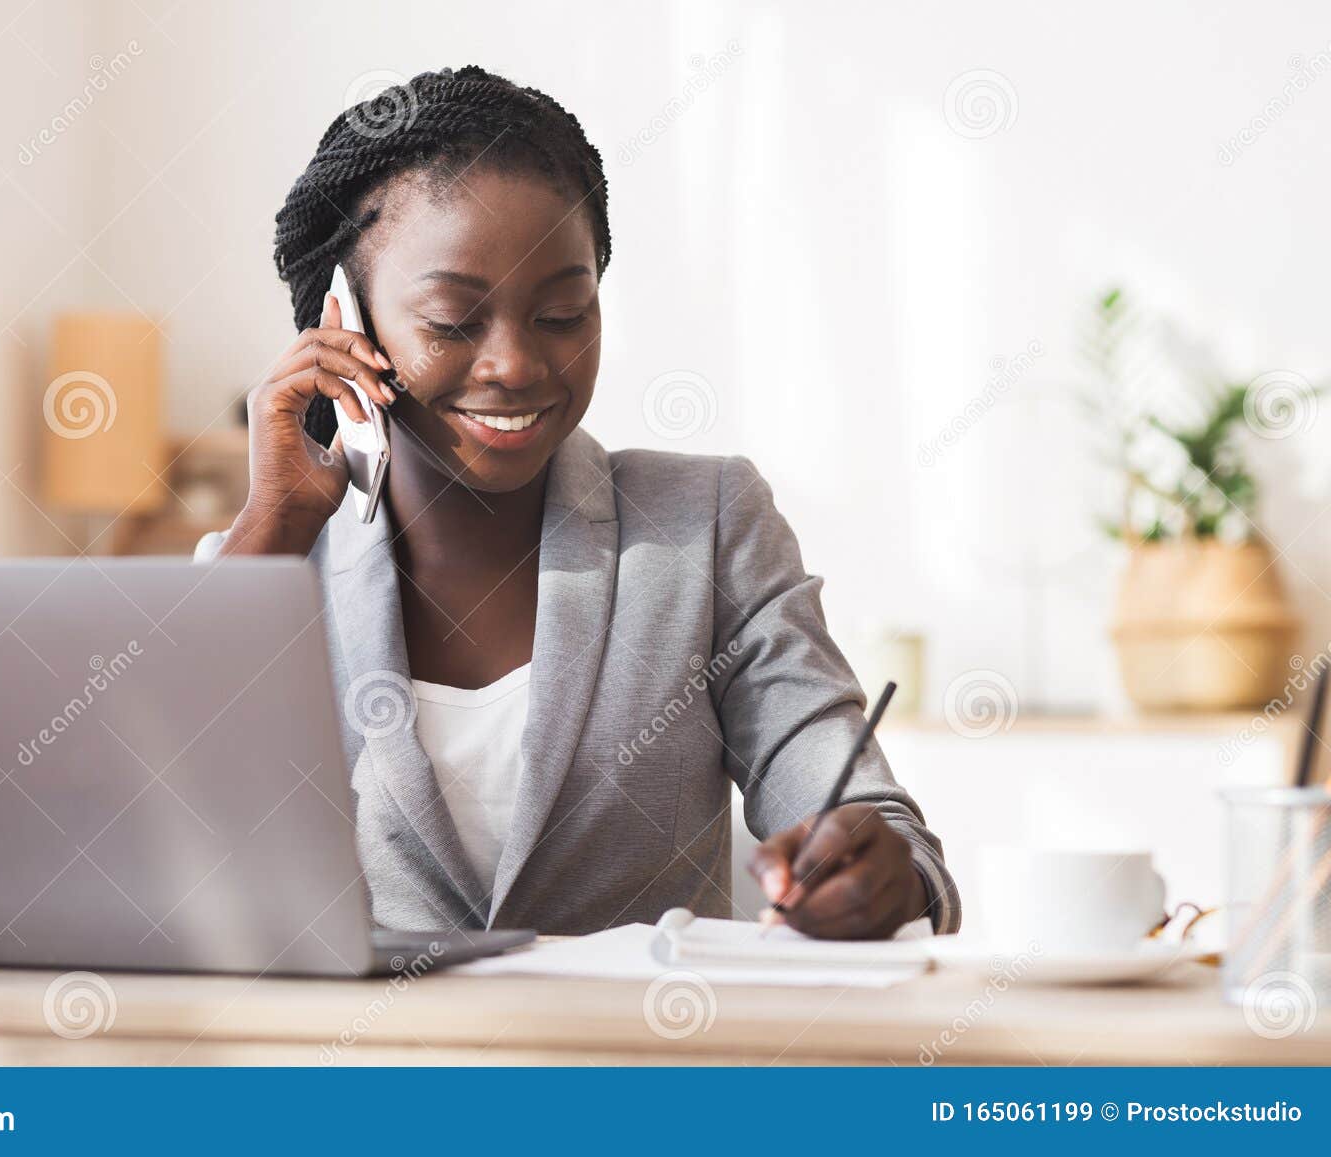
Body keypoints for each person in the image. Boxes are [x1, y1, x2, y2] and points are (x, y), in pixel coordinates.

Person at [199, 65, 959, 938]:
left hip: (638, 1064)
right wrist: (275, 526)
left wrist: (882, 871)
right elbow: (141, 833)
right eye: (453, 321)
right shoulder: (266, 563)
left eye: (562, 314)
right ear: (344, 319)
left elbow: (874, 819)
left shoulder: (704, 525)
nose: (516, 363)